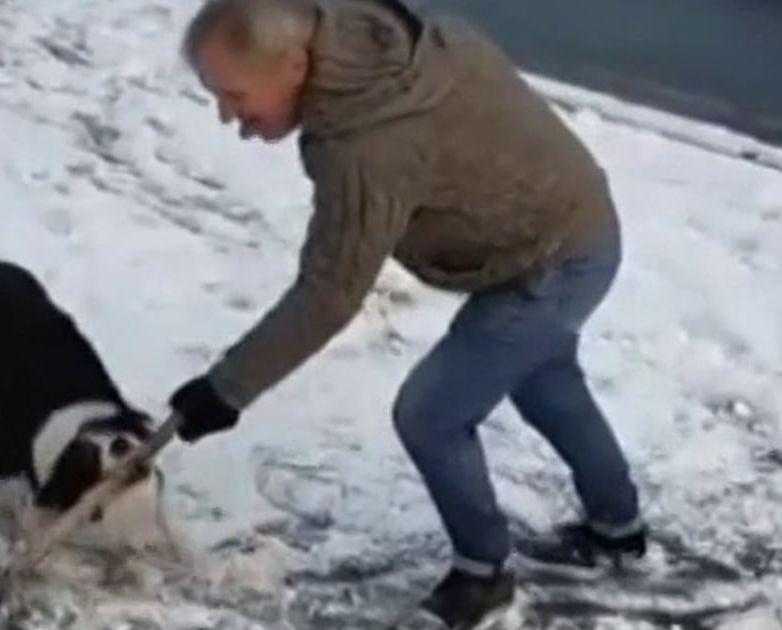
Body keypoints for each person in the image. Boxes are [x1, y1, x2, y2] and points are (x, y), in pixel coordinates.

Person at [167, 0, 646, 626]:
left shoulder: (367, 144)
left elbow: (330, 293)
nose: (229, 117)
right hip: (570, 221)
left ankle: (482, 574)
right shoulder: (374, 30)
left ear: (293, 63)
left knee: (431, 415)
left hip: (553, 257)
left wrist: (226, 388)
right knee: (545, 382)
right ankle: (618, 528)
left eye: (234, 96)